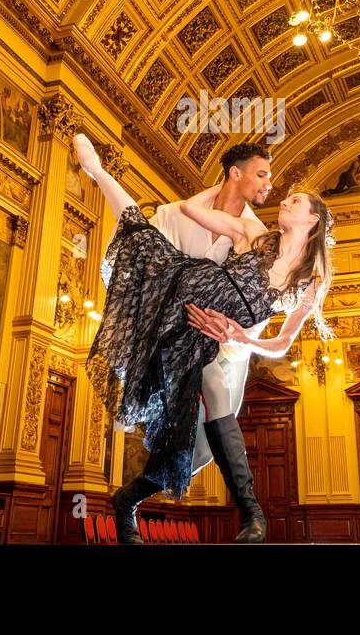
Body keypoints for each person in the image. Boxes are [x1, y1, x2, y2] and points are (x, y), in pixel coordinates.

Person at [75, 133, 333, 545]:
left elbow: (282, 342)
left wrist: (241, 338)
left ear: (313, 219)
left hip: (203, 331)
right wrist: (227, 180)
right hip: (184, 286)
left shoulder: (309, 283)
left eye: (295, 201)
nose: (282, 198)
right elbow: (189, 208)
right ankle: (98, 171)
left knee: (195, 434)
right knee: (142, 236)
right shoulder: (254, 232)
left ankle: (147, 503)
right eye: (276, 188)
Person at [149, 143, 272, 541]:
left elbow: (262, 303)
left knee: (199, 449)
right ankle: (252, 514)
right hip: (178, 336)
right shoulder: (177, 214)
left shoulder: (257, 233)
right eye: (261, 174)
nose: (269, 183)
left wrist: (235, 330)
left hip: (228, 343)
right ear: (235, 173)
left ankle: (129, 498)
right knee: (210, 400)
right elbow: (161, 244)